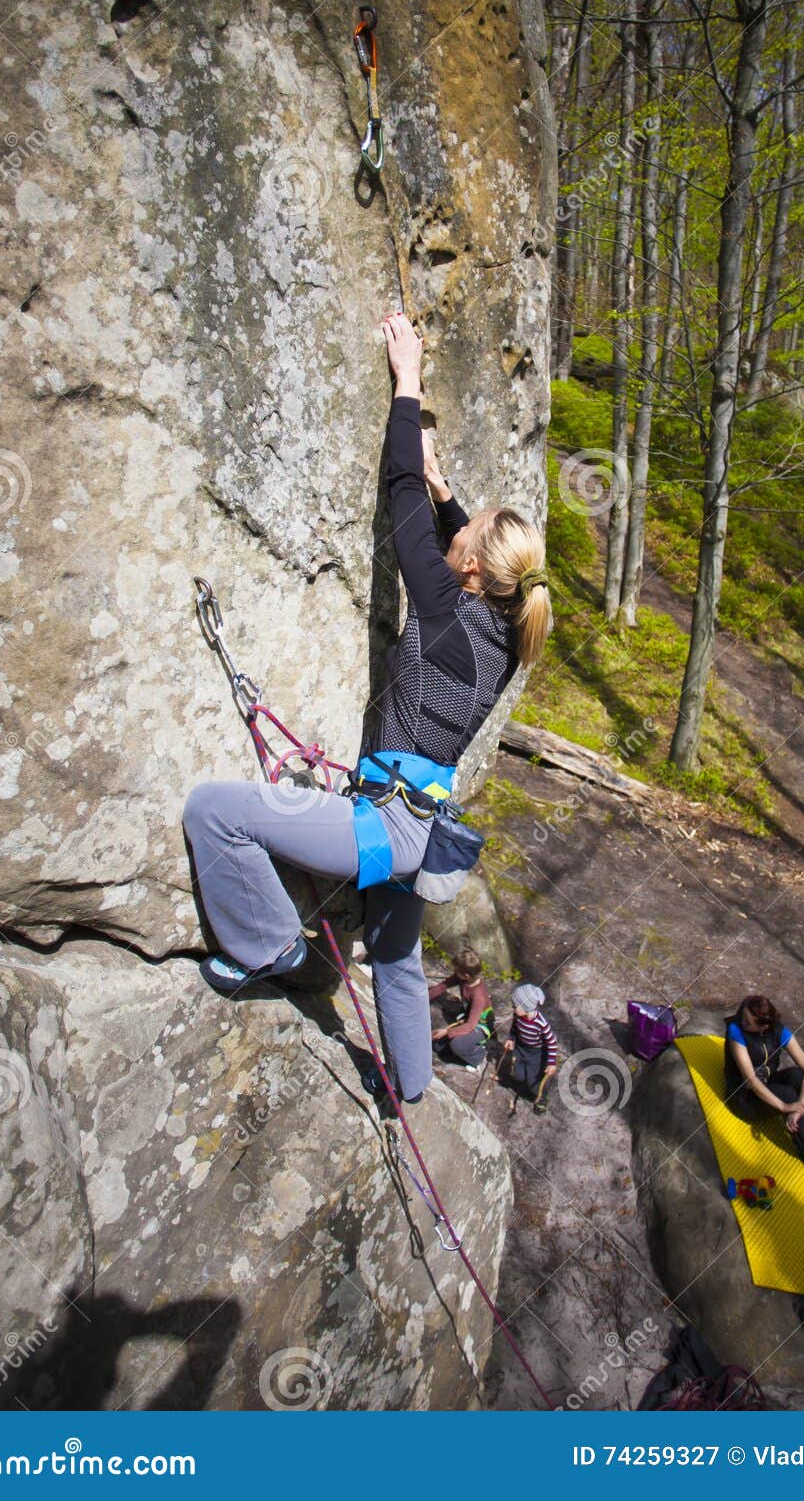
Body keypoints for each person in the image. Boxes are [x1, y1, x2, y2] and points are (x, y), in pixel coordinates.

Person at [182, 310, 552, 1108]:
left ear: (468, 566)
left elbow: (397, 498)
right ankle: (412, 1090)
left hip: (384, 830)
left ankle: (271, 949)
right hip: (422, 835)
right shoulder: (503, 630)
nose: (455, 527)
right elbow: (449, 528)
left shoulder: (445, 609)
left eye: (466, 529)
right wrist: (450, 492)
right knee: (393, 962)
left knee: (215, 812)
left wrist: (408, 382)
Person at [724, 995, 804, 1194]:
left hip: (769, 1083)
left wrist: (800, 1108)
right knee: (789, 1095)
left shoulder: (779, 1031)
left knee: (798, 1077)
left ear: (764, 1026)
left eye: (748, 1021)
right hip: (742, 1095)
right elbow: (752, 1082)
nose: (742, 1022)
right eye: (742, 1017)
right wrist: (785, 1107)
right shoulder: (736, 1030)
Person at [429, 948, 495, 1069]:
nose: (454, 972)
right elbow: (443, 986)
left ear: (466, 975)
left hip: (480, 1026)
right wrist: (423, 998)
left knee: (457, 1044)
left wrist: (446, 1032)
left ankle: (477, 1057)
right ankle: (459, 1049)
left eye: (456, 971)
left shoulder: (478, 995)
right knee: (437, 1046)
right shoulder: (462, 978)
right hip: (467, 1017)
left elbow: (470, 1025)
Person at [501, 982, 560, 1115]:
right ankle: (522, 1083)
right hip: (521, 1048)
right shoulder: (518, 1015)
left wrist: (551, 1063)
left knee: (534, 1082)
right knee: (518, 1074)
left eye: (515, 1005)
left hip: (536, 1054)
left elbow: (551, 1042)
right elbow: (514, 1027)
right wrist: (511, 1038)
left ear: (526, 1008)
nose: (513, 1007)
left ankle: (541, 1099)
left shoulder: (541, 1023)